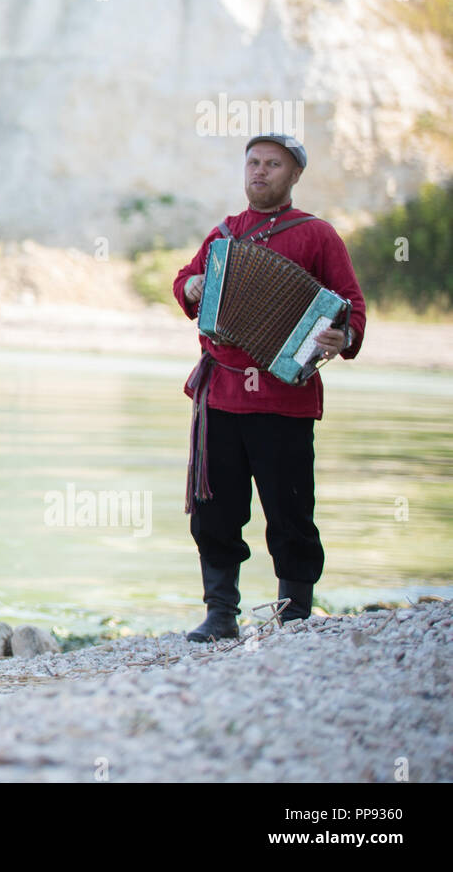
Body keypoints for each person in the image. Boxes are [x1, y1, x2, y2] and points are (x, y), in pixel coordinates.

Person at [173, 134, 366, 642]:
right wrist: (189, 288)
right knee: (215, 510)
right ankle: (220, 614)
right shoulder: (224, 234)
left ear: (294, 175)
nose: (259, 171)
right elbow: (185, 283)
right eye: (253, 162)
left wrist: (342, 335)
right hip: (221, 399)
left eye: (272, 164)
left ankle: (295, 613)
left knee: (290, 508)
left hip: (285, 398)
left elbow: (352, 307)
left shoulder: (318, 236)